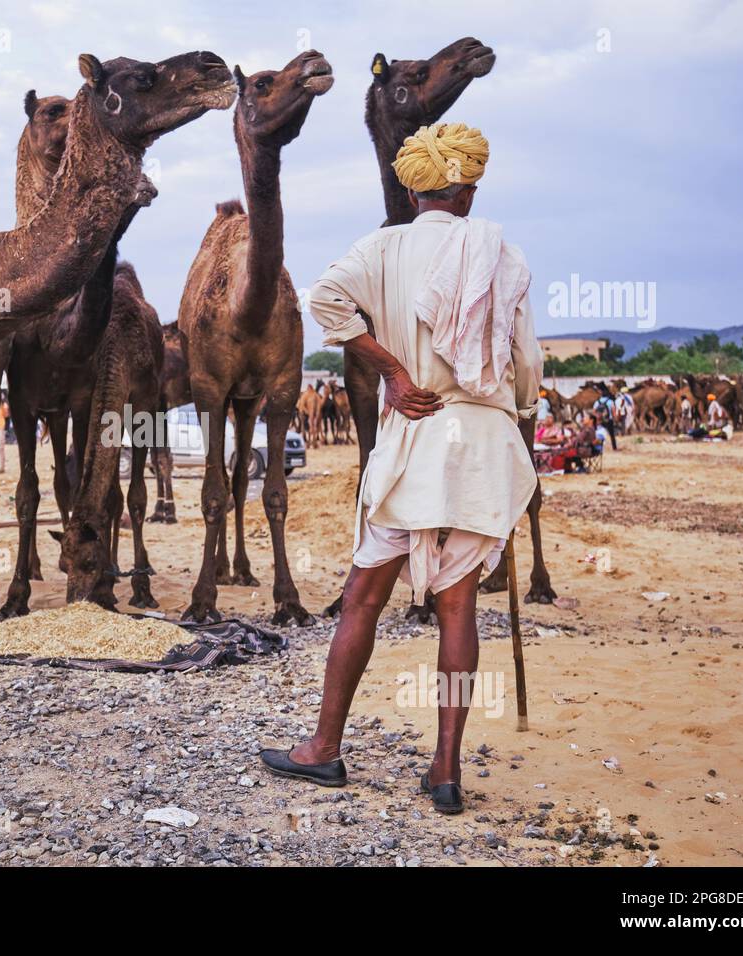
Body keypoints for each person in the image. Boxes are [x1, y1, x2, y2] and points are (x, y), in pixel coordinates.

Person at [262, 123, 541, 815]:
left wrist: (391, 369)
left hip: (413, 440)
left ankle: (322, 750)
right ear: (467, 187)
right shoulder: (501, 254)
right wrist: (514, 407)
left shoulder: (381, 248)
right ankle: (444, 770)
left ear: (415, 189)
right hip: (481, 448)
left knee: (362, 598)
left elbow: (323, 300)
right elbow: (527, 369)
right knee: (457, 606)